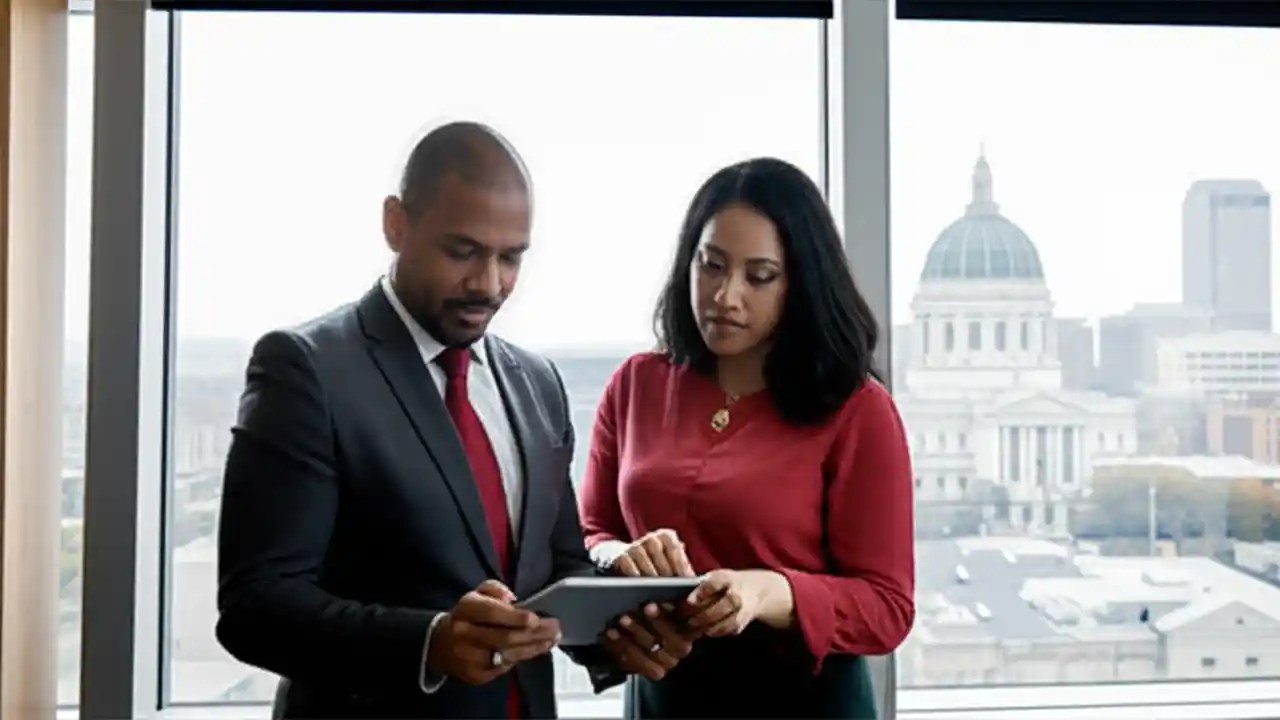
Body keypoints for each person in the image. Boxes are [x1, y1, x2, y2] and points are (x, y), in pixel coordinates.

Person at [215, 121, 690, 719]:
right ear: (395, 223)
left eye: (510, 258)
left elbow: (557, 569)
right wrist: (430, 645)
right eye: (462, 252)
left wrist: (624, 627)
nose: (488, 284)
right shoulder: (306, 369)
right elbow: (254, 607)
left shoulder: (537, 383)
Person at [578, 157, 916, 718]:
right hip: (663, 700)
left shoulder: (858, 410)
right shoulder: (636, 385)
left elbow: (887, 608)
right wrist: (620, 559)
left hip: (802, 703)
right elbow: (592, 534)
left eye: (758, 277)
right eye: (711, 266)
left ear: (800, 283)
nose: (725, 296)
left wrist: (766, 592)